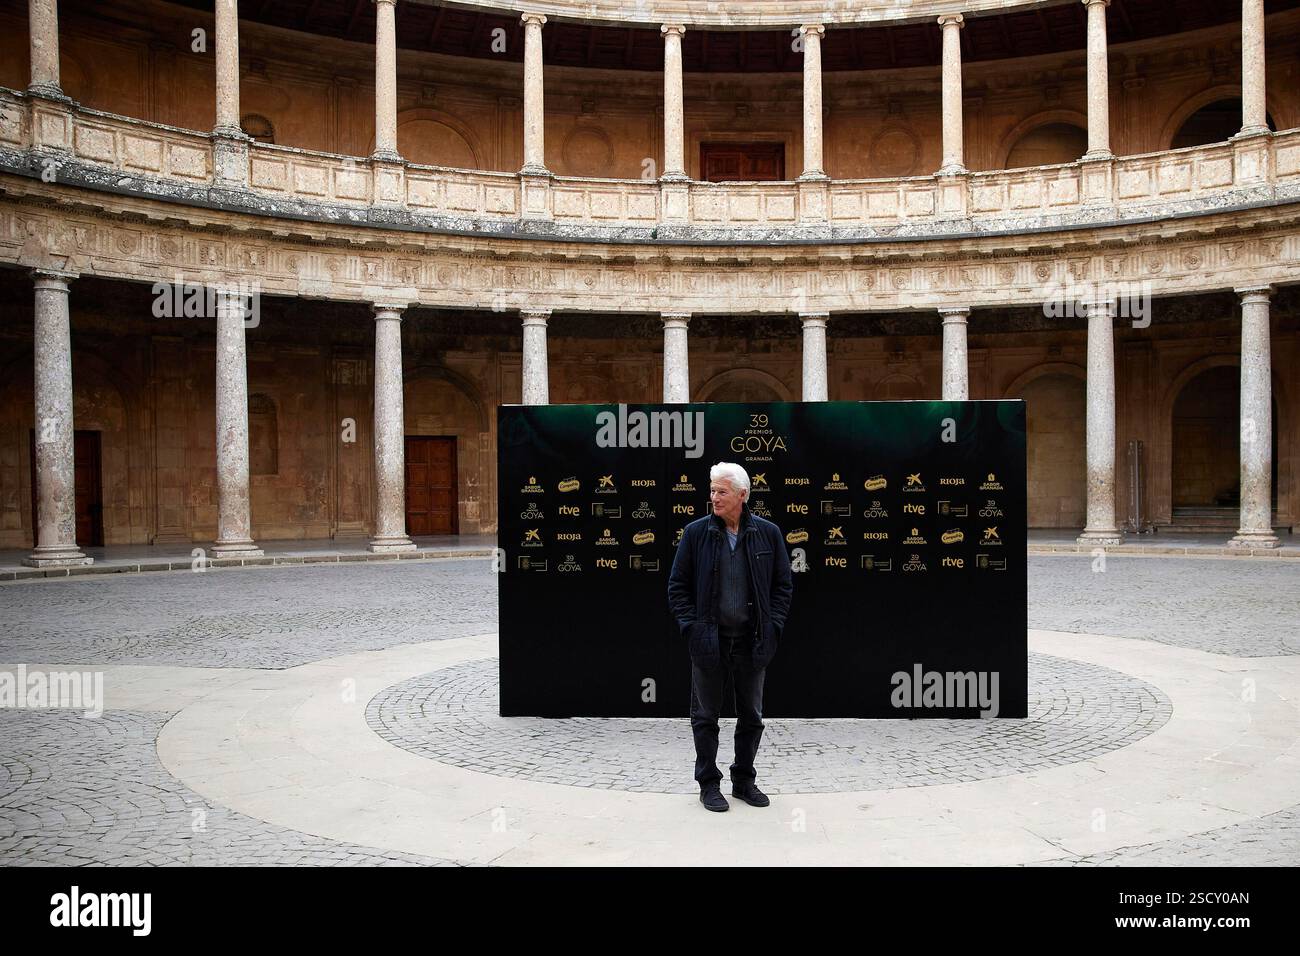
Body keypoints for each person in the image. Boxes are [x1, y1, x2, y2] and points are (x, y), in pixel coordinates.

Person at [667, 461, 793, 812]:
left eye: (721, 491)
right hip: (709, 641)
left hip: (753, 642)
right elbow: (678, 587)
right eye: (711, 490)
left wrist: (774, 626)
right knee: (706, 716)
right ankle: (709, 784)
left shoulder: (767, 533)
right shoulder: (696, 533)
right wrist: (691, 628)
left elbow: (783, 586)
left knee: (751, 716)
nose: (713, 497)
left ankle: (744, 781)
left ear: (742, 495)